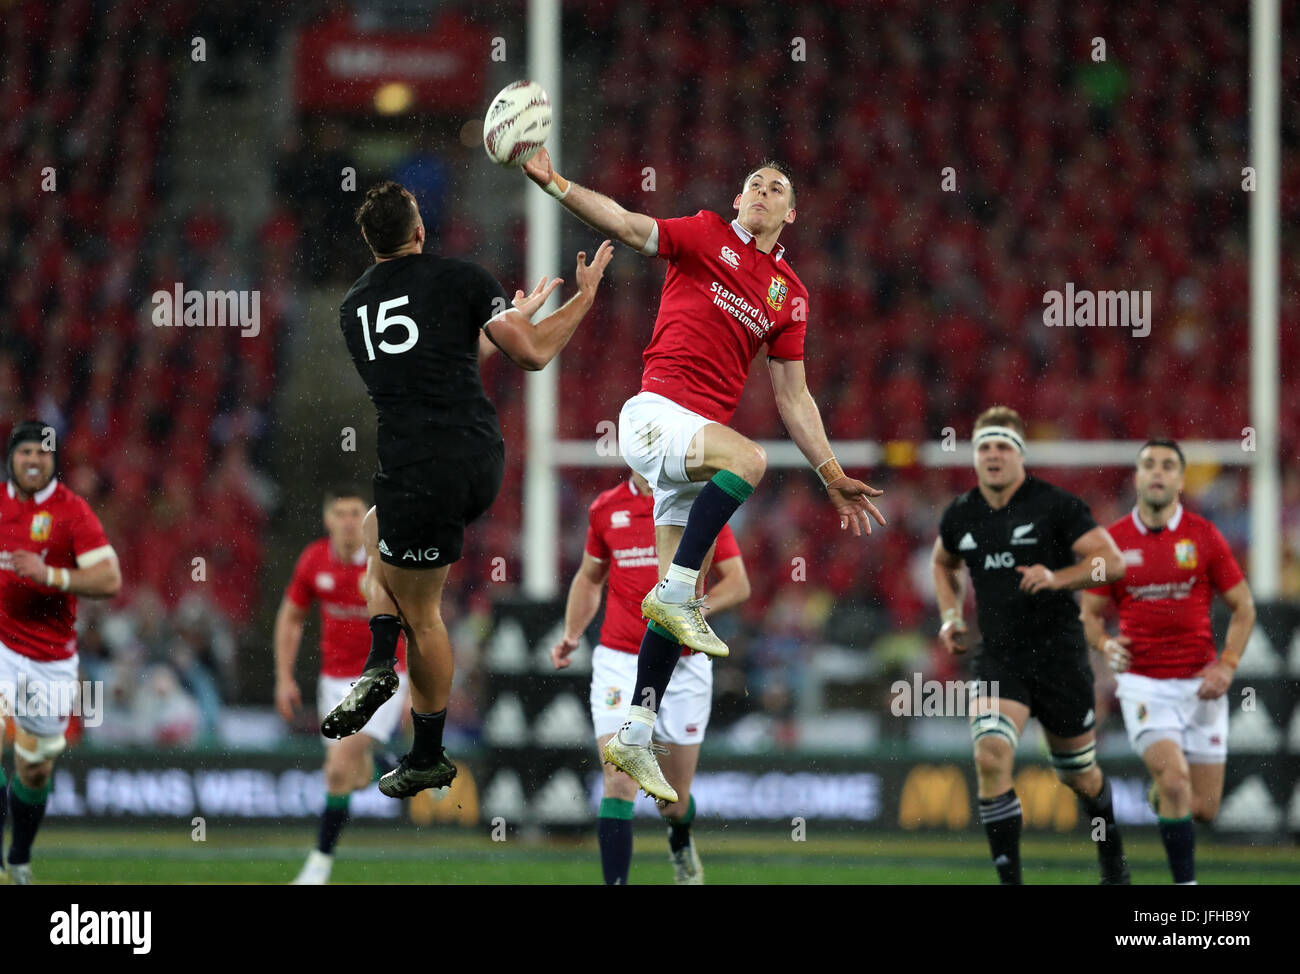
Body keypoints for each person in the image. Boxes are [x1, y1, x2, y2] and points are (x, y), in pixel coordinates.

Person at [521, 150, 885, 802]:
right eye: (754, 182)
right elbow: (631, 225)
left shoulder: (788, 294)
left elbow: (794, 398)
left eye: (776, 187)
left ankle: (635, 731)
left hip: (690, 457)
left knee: (669, 609)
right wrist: (555, 182)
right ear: (740, 199)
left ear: (791, 213)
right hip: (656, 416)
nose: (763, 191)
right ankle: (680, 591)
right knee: (750, 460)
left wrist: (831, 471)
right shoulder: (705, 233)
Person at [321, 180, 614, 798]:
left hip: (414, 467)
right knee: (374, 539)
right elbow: (523, 354)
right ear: (420, 231)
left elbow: (441, 357)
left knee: (419, 611)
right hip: (476, 458)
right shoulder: (461, 278)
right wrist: (575, 301)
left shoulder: (352, 310)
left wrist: (517, 319)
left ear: (370, 243)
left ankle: (420, 739)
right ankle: (382, 672)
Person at [930, 406, 1131, 884]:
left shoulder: (1056, 506)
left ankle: (1113, 863)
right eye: (984, 447)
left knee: (1080, 777)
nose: (993, 455)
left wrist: (1058, 577)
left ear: (1020, 454)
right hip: (1001, 658)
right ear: (975, 456)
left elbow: (1113, 564)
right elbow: (943, 563)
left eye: (1002, 446)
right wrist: (951, 615)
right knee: (990, 755)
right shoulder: (961, 514)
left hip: (1060, 659)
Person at [552, 472, 749, 884]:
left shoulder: (698, 505)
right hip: (619, 660)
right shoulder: (605, 508)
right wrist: (571, 633)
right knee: (618, 777)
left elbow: (738, 583)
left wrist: (689, 614)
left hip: (684, 664)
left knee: (671, 803)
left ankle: (679, 838)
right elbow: (590, 577)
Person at [1080, 439, 1255, 885]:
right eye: (1148, 465)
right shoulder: (1112, 543)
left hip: (1201, 686)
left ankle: (1165, 798)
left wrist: (1227, 666)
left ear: (1180, 479)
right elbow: (1089, 617)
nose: (1157, 472)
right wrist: (1105, 646)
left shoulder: (1204, 535)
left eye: (1167, 466)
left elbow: (1244, 607)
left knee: (1203, 807)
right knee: (1175, 779)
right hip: (1144, 685)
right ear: (1137, 477)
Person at [0, 422, 121, 884]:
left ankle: (20, 858)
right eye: (25, 451)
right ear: (12, 457)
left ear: (54, 461)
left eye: (43, 453)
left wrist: (51, 575)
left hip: (51, 661)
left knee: (34, 770)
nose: (34, 459)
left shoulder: (72, 512)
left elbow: (110, 580)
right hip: (2, 645)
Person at [275, 485, 409, 884]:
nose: (350, 521)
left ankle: (318, 865)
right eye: (341, 513)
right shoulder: (314, 560)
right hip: (333, 682)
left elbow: (419, 625)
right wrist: (284, 677)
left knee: (336, 768)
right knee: (350, 775)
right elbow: (291, 618)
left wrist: (417, 690)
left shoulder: (386, 561)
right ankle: (393, 767)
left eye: (356, 513)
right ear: (327, 519)